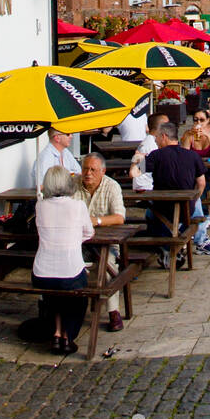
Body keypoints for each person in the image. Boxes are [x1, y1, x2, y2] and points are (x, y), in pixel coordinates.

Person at [32, 166, 94, 355]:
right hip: (70, 271)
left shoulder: (40, 205)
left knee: (54, 294)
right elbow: (89, 232)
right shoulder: (78, 206)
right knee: (75, 293)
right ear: (69, 183)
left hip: (41, 272)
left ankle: (57, 333)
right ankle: (67, 336)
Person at [139, 123, 210, 258]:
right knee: (195, 199)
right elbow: (201, 183)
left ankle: (166, 246)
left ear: (164, 136)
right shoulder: (192, 156)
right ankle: (201, 241)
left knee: (149, 213)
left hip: (162, 209)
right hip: (187, 210)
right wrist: (194, 199)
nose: (155, 141)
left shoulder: (155, 155)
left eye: (157, 138)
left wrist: (137, 156)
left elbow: (134, 171)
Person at [74, 153, 126, 332]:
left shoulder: (112, 187)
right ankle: (69, 311)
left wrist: (96, 221)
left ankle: (113, 312)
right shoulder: (73, 186)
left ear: (102, 171)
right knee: (66, 265)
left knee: (108, 267)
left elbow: (119, 217)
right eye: (85, 169)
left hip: (106, 242)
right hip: (78, 242)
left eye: (93, 170)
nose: (88, 173)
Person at [181, 109, 210, 192]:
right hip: (195, 170)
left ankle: (196, 202)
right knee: (191, 185)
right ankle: (197, 203)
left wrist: (209, 136)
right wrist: (188, 137)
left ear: (208, 120)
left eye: (202, 120)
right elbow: (183, 156)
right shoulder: (189, 133)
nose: (199, 123)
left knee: (199, 188)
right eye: (196, 120)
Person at [128, 112, 169, 191]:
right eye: (168, 125)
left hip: (145, 187)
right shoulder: (151, 145)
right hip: (147, 189)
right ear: (161, 127)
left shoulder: (148, 142)